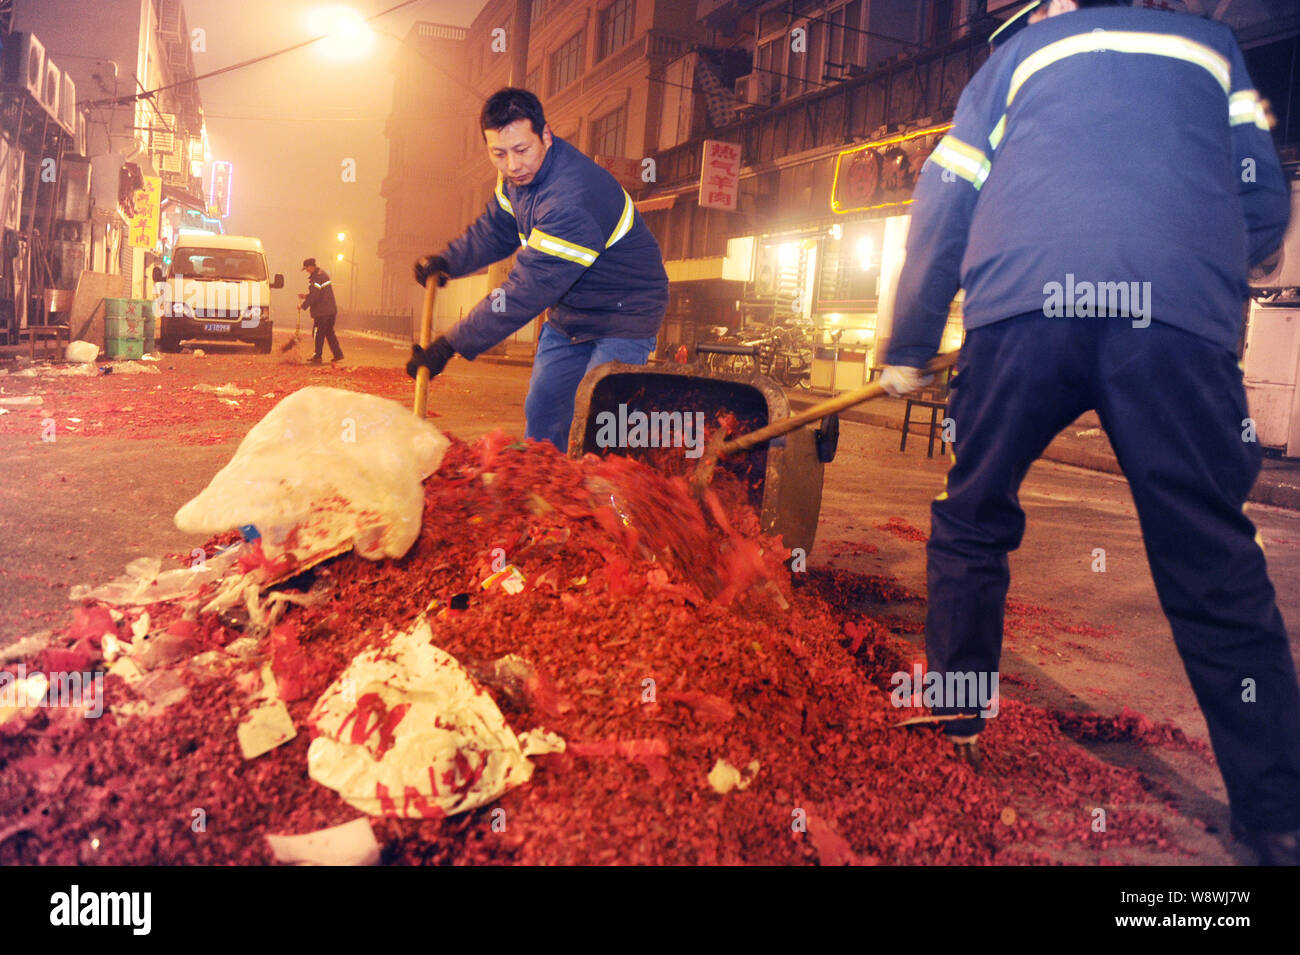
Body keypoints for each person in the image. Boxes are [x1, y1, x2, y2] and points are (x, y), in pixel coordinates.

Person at [878, 0, 1299, 863]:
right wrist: (1219, 261)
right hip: (1172, 316)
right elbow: (1262, 193)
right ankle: (1278, 814)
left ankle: (956, 719)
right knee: (1213, 553)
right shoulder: (1216, 49)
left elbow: (947, 190)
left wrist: (912, 342)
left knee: (973, 512)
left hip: (1024, 308)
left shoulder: (1015, 59)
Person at [407, 88, 669, 450]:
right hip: (571, 314)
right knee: (544, 411)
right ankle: (548, 494)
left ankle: (604, 496)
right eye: (498, 153)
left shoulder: (572, 199)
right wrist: (450, 261)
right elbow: (496, 230)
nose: (512, 165)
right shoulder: (517, 180)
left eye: (521, 150)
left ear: (545, 135)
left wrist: (450, 344)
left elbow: (523, 293)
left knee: (598, 422)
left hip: (624, 316)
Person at [299, 257, 343, 363]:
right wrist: (306, 296)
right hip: (330, 310)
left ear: (311, 266)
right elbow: (320, 293)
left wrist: (303, 305)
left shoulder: (317, 277)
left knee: (318, 333)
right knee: (329, 332)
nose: (306, 271)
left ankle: (317, 356)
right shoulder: (322, 275)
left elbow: (315, 295)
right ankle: (338, 354)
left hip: (323, 312)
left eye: (306, 268)